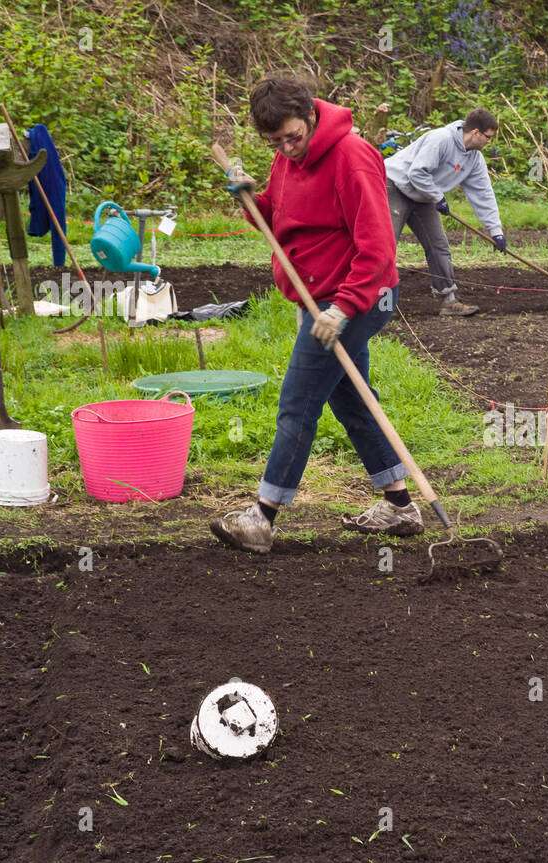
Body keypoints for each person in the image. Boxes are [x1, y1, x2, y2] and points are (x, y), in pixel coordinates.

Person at [211, 76, 423, 554]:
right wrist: (250, 198)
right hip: (321, 298)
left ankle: (261, 518)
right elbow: (283, 220)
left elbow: (378, 248)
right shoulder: (287, 158)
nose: (287, 149)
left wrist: (344, 308)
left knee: (298, 403)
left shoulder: (352, 156)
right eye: (274, 143)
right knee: (351, 400)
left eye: (293, 137)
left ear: (310, 116)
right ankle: (399, 505)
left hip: (358, 297)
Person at [383, 109, 506, 316]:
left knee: (438, 246)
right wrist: (437, 196)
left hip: (424, 196)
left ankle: (449, 301)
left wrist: (496, 231)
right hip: (394, 186)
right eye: (488, 137)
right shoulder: (441, 139)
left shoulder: (474, 159)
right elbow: (417, 172)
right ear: (476, 132)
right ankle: (374, 303)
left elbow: (483, 194)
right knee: (385, 245)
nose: (489, 143)